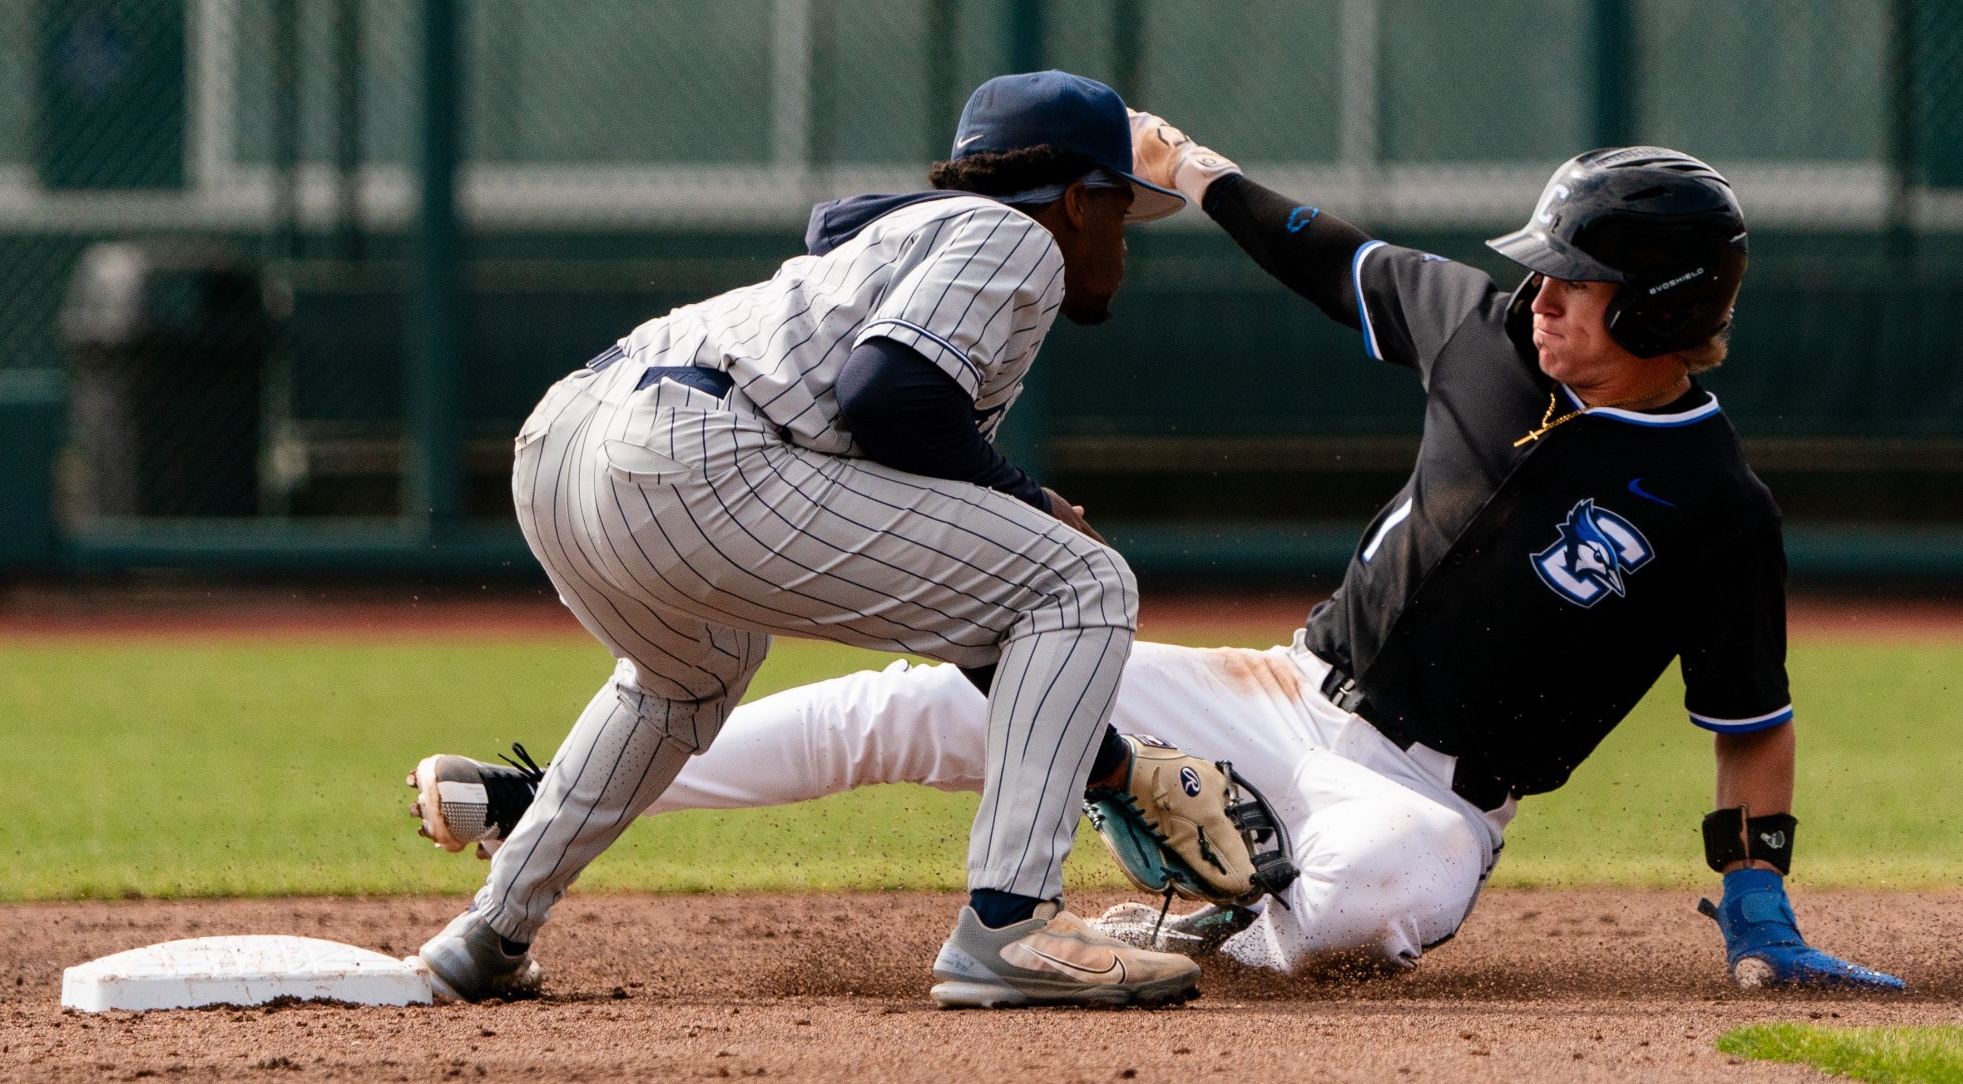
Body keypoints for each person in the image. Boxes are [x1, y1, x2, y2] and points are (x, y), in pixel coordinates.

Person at [410, 131, 1904, 991]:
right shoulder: (1487, 331)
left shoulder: (1716, 505)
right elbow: (1330, 253)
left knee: (1358, 905)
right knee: (930, 700)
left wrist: (1758, 904)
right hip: (1286, 692)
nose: (1538, 295)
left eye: (1574, 281)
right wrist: (1199, 170)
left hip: (1434, 797)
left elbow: (1750, 728)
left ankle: (1196, 896)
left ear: (1658, 311)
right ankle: (555, 800)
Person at [406, 70, 1223, 1010]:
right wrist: (1031, 500)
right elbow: (889, 395)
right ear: (1077, 202)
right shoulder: (1014, 240)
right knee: (1088, 581)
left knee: (687, 680)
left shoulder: (904, 246)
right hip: (696, 454)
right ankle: (1012, 922)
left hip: (564, 448)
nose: (1124, 239)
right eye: (1121, 210)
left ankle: (490, 932)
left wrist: (1114, 766)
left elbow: (971, 608)